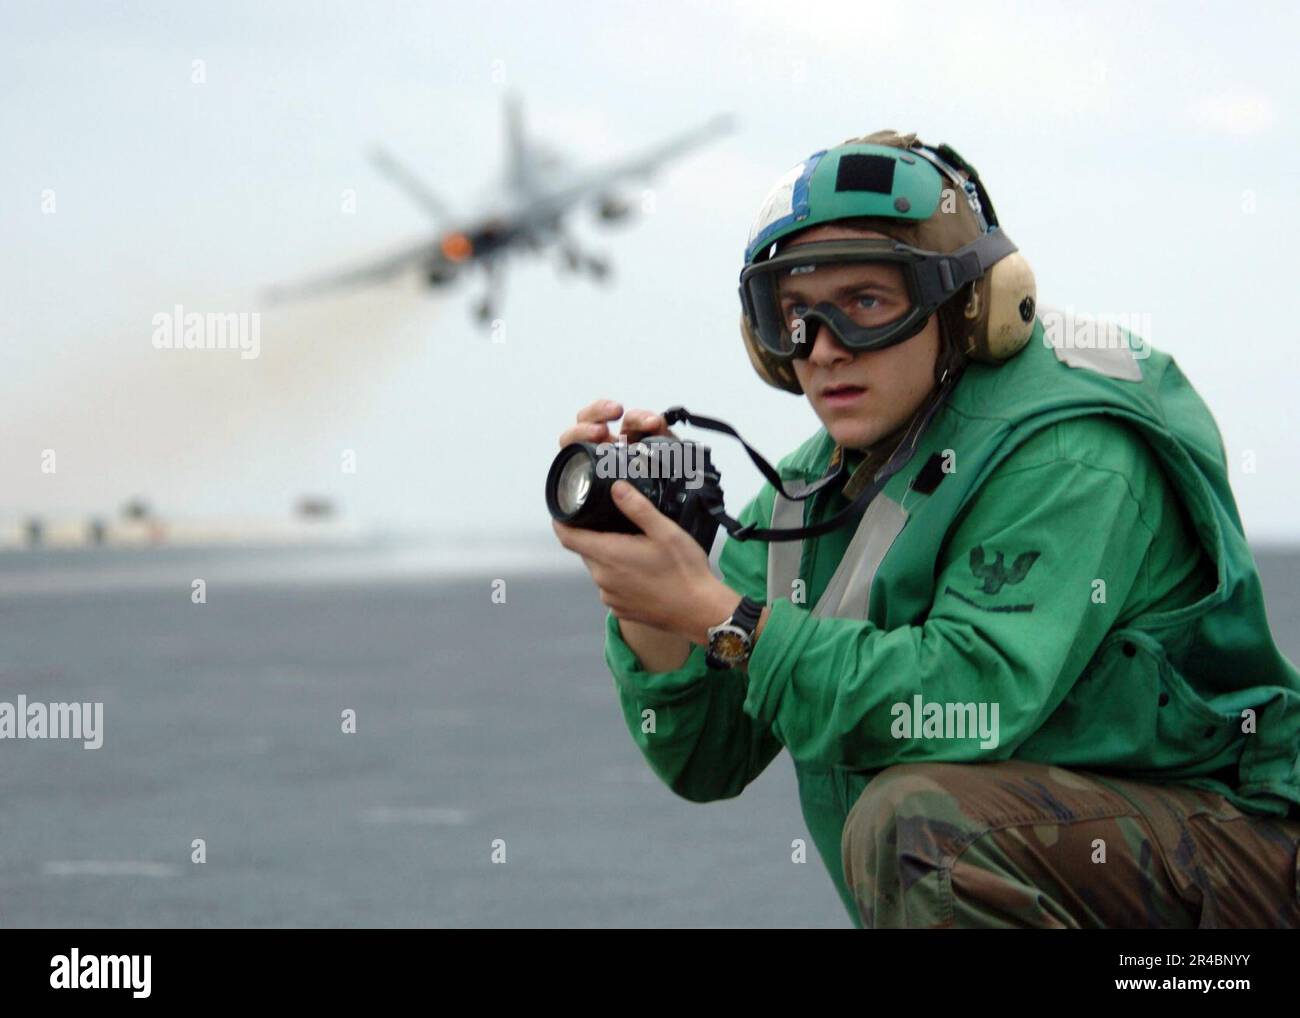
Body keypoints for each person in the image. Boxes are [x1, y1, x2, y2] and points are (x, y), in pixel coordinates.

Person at [551, 129, 1300, 929]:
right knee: (919, 828)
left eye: (866, 303)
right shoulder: (811, 491)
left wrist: (722, 616)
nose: (825, 349)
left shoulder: (1070, 451)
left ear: (966, 305)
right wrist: (645, 588)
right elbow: (706, 757)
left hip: (1246, 860)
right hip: (1114, 867)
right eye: (794, 315)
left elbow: (968, 699)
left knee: (920, 828)